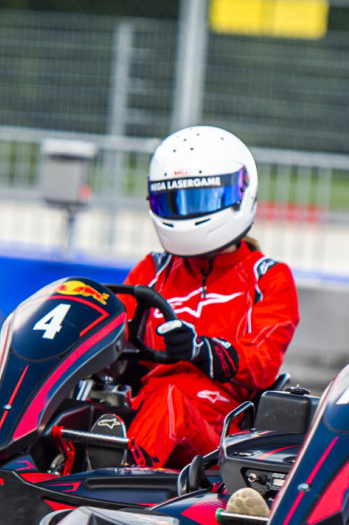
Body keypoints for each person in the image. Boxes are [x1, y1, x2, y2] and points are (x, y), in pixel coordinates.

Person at [98, 125, 300, 473]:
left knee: (171, 396)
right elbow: (113, 325)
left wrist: (200, 349)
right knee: (81, 396)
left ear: (240, 194)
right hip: (141, 405)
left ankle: (116, 478)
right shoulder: (153, 269)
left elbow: (264, 362)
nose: (188, 213)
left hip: (219, 427)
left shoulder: (267, 277)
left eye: (201, 200)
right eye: (176, 201)